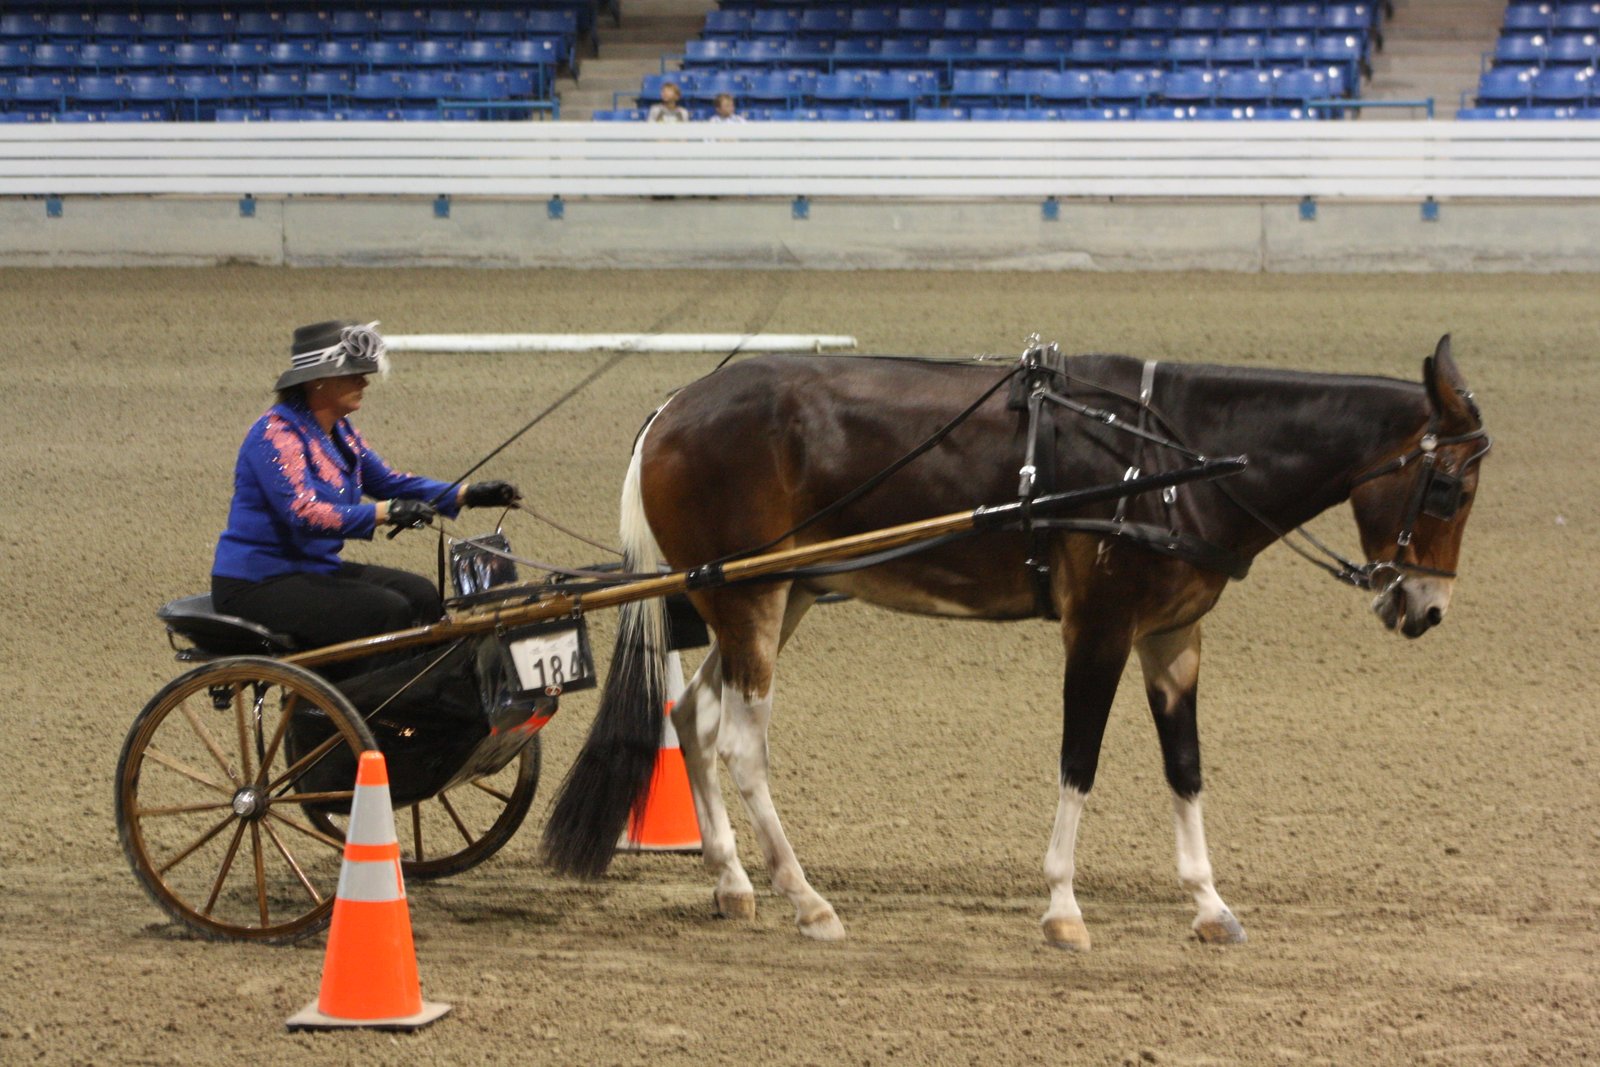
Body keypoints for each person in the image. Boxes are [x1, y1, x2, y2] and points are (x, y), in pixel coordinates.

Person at [210, 319, 521, 651]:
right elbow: (303, 513)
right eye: (352, 374)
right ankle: (373, 697)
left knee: (421, 594)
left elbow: (388, 482)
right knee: (387, 610)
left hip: (312, 570)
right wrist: (385, 512)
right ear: (317, 381)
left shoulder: (341, 431)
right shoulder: (276, 435)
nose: (364, 382)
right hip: (258, 583)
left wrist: (467, 494)